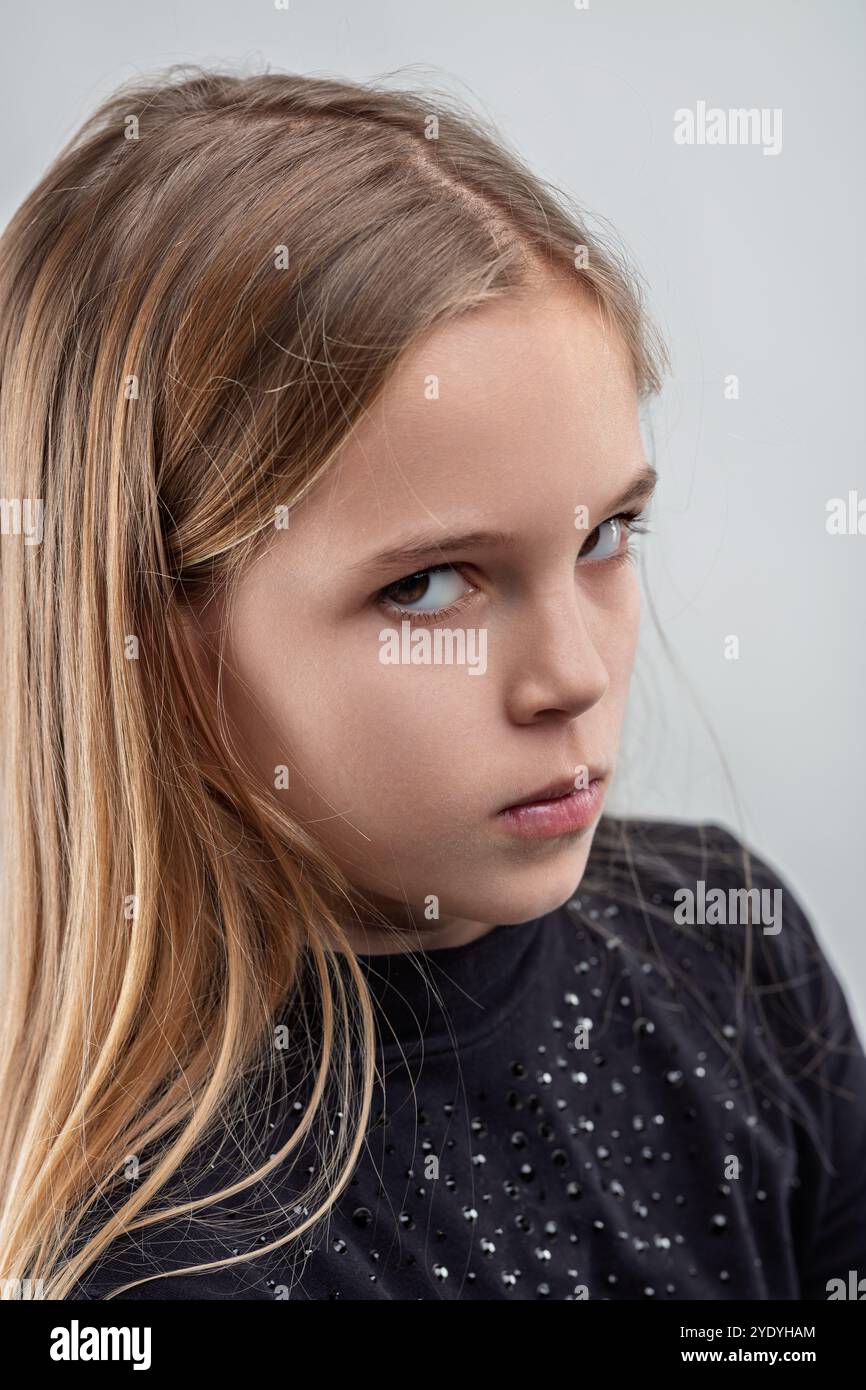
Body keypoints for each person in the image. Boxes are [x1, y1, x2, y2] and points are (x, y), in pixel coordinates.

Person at [0, 65, 863, 1302]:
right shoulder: (150, 1267)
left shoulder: (729, 955)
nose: (571, 675)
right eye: (428, 588)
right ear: (147, 637)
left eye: (604, 537)